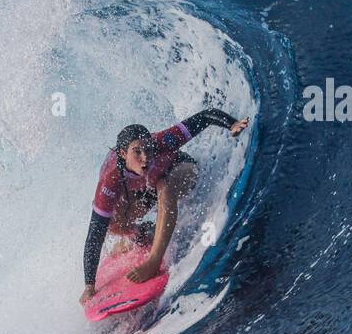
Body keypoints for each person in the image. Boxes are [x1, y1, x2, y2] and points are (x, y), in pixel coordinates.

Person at [80, 108, 250, 304]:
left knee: (164, 186)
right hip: (144, 189)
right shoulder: (111, 179)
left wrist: (232, 124)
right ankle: (141, 234)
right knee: (113, 223)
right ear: (122, 154)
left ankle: (153, 260)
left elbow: (205, 116)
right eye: (137, 152)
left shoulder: (162, 142)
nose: (145, 157)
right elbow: (95, 233)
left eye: (148, 150)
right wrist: (89, 286)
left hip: (180, 172)